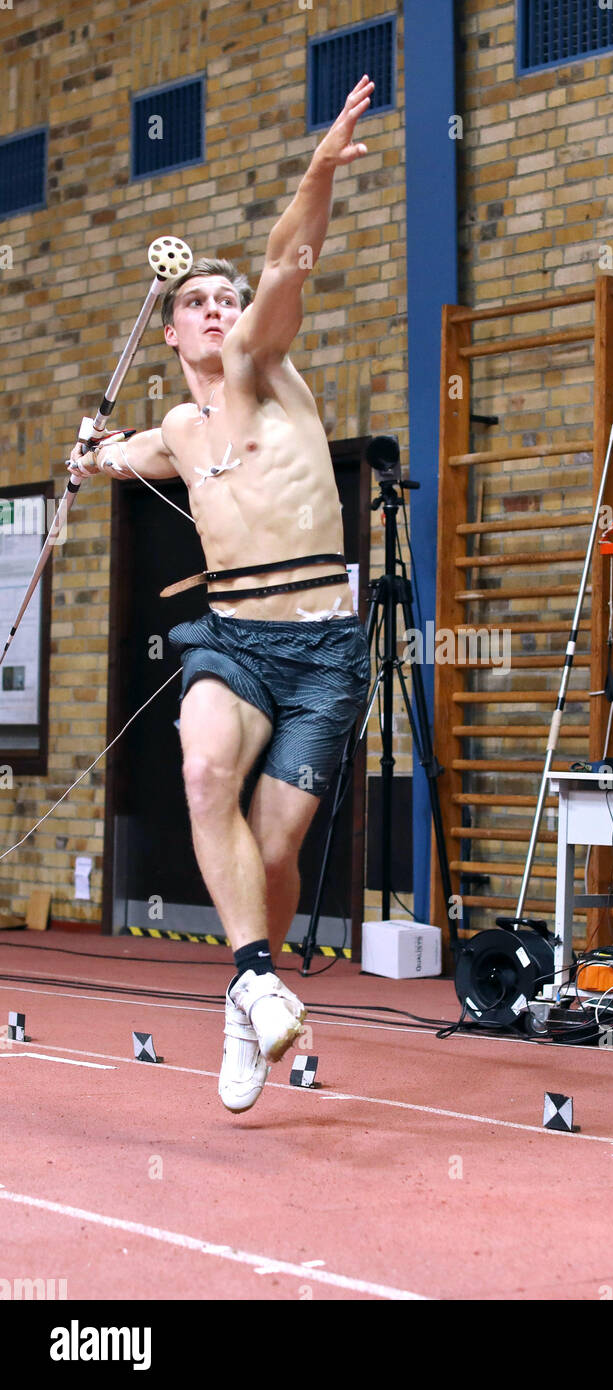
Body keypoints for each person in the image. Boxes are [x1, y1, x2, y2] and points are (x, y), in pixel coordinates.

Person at [69, 77, 376, 1112]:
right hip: (234, 639)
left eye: (223, 298)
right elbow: (116, 455)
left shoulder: (260, 363)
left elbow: (294, 255)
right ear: (169, 332)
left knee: (277, 847)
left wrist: (318, 172)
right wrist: (83, 456)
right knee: (205, 770)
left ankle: (249, 994)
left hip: (325, 649)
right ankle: (253, 977)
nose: (214, 311)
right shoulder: (177, 431)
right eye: (194, 302)